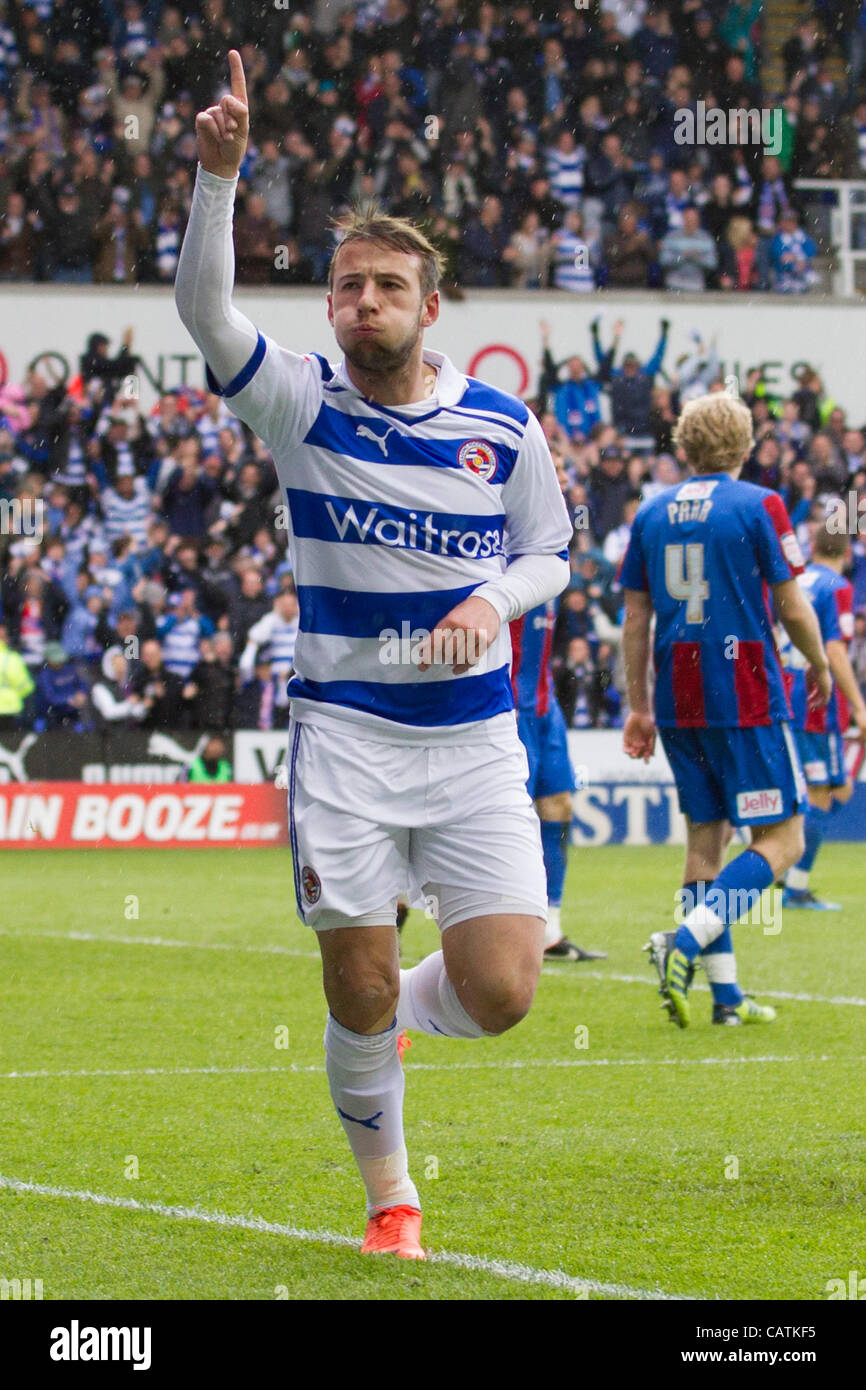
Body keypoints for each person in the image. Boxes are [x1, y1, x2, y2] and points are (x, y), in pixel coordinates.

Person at [175, 52, 572, 1260]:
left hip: (469, 738)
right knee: (352, 979)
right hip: (345, 733)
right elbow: (205, 312)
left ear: (428, 306)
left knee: (502, 991)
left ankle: (385, 1022)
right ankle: (389, 1195)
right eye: (345, 287)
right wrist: (217, 178)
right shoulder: (302, 403)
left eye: (385, 287)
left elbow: (552, 548)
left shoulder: (500, 428)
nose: (360, 305)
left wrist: (495, 600)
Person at [619, 391, 832, 1028]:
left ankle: (727, 1000)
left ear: (684, 446)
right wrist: (819, 663)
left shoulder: (651, 513)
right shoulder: (760, 503)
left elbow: (635, 619)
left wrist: (638, 707)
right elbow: (793, 606)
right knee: (784, 839)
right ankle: (681, 942)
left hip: (677, 699)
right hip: (743, 692)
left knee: (704, 850)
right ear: (744, 444)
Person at [511, 600, 607, 962]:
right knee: (511, 819)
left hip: (543, 703)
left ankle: (550, 931)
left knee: (560, 806)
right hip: (509, 703)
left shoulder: (548, 557)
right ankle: (503, 927)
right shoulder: (497, 554)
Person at [778, 518, 866, 908]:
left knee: (837, 787)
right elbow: (833, 651)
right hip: (816, 702)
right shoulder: (839, 588)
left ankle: (784, 867)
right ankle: (794, 885)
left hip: (786, 693)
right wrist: (859, 706)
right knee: (821, 795)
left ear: (812, 549)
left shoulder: (797, 582)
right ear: (846, 554)